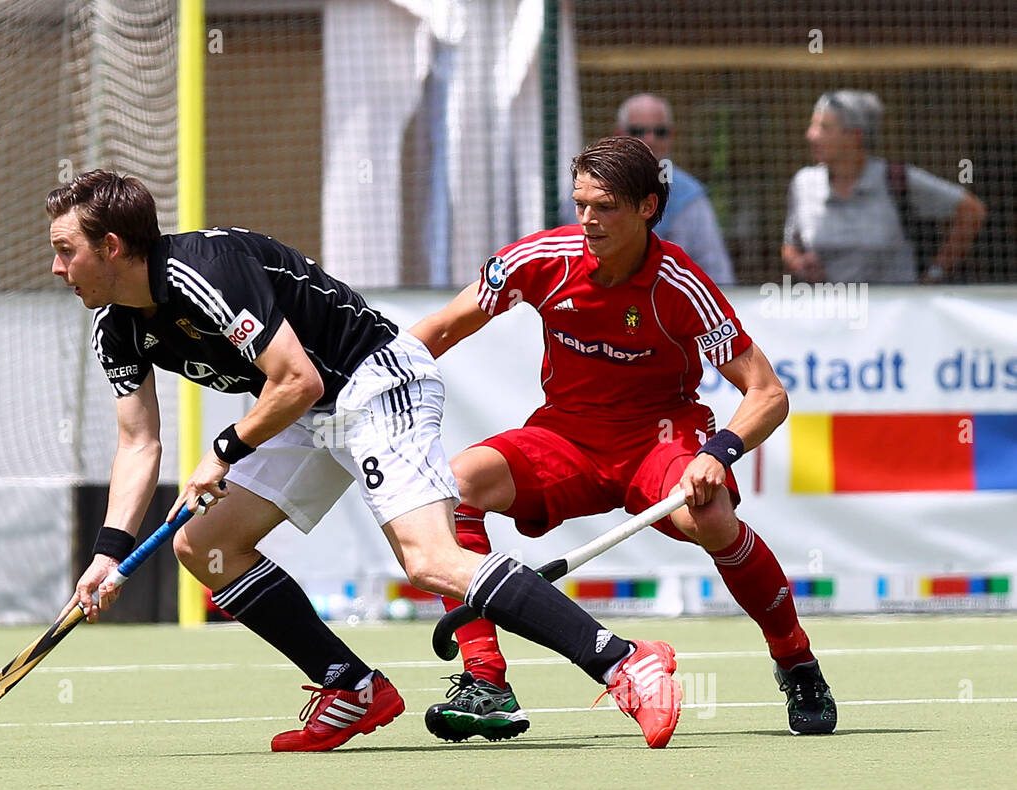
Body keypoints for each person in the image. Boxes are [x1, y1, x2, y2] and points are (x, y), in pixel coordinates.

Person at [48, 169, 683, 752]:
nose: (56, 267)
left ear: (110, 247)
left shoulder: (200, 273)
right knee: (204, 546)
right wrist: (107, 556)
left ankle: (623, 661)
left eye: (65, 249)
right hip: (310, 412)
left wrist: (225, 450)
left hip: (373, 381)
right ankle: (349, 687)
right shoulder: (117, 327)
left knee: (430, 561)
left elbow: (297, 381)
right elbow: (138, 443)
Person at [412, 135, 837, 742]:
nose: (588, 219)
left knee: (713, 517)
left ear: (647, 207)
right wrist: (372, 374)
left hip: (659, 438)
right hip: (567, 435)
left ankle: (796, 661)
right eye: (581, 203)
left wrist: (719, 454)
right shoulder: (540, 260)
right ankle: (486, 684)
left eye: (605, 206)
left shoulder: (680, 285)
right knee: (454, 488)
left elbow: (767, 393)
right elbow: (441, 328)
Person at [782, 90, 986, 284]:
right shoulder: (804, 183)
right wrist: (798, 263)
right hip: (830, 312)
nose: (811, 135)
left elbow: (972, 210)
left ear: (855, 136)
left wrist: (935, 274)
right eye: (813, 126)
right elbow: (790, 245)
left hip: (894, 312)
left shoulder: (896, 179)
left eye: (824, 128)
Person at [563, 93, 735, 286]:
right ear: (619, 134)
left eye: (659, 132)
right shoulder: (589, 187)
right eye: (638, 131)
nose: (650, 139)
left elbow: (716, 272)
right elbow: (570, 257)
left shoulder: (689, 195)